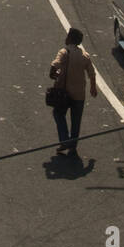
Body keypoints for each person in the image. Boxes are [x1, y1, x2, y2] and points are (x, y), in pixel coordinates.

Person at [48, 27, 97, 155]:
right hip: (79, 94)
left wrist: (52, 73)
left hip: (64, 93)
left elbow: (55, 64)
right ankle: (73, 145)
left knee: (58, 114)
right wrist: (93, 87)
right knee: (76, 121)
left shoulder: (64, 52)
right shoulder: (85, 56)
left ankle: (64, 140)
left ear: (70, 39)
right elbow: (92, 73)